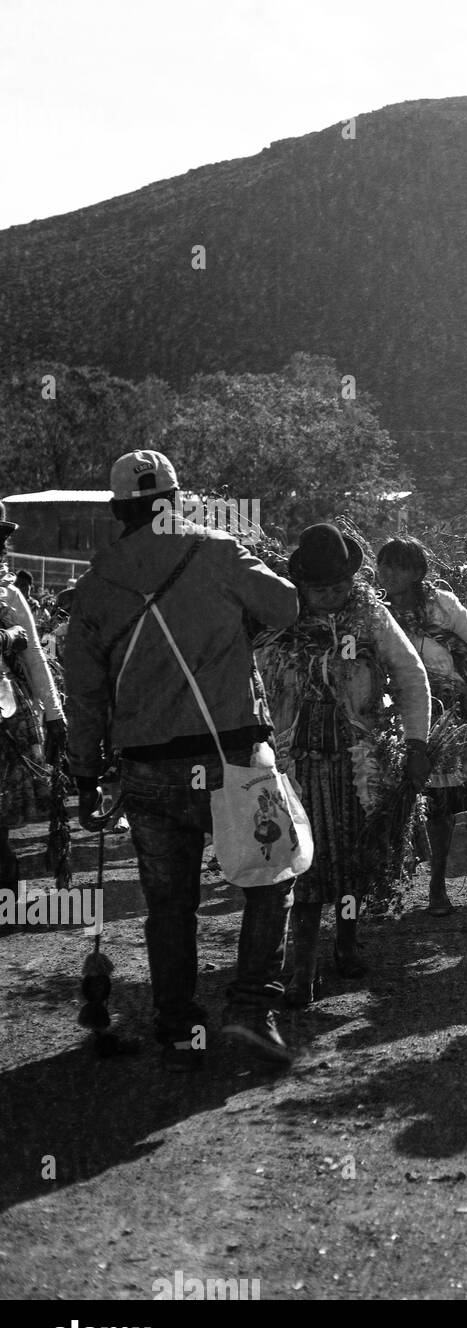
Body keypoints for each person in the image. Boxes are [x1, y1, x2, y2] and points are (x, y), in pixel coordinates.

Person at [64, 451, 300, 1071]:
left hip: (146, 769)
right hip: (233, 756)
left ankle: (177, 1021)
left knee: (170, 904)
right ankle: (251, 1009)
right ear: (177, 500)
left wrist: (85, 778)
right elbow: (287, 607)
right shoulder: (218, 550)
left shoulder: (92, 588)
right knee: (270, 881)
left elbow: (84, 695)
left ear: (118, 511)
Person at [257, 525, 432, 1002]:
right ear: (301, 587)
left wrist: (417, 743)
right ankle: (303, 966)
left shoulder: (372, 617)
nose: (331, 597)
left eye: (338, 587)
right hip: (299, 763)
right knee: (306, 864)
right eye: (320, 590)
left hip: (359, 762)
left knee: (354, 859)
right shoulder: (280, 622)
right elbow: (251, 674)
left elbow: (412, 676)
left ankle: (348, 944)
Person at [375, 537, 467, 918]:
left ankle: (437, 884)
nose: (388, 573)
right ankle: (400, 871)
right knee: (395, 796)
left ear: (417, 572)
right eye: (384, 564)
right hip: (394, 713)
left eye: (398, 566)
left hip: (444, 715)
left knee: (439, 802)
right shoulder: (375, 612)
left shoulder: (442, 606)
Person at [0, 506, 67, 895]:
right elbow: (20, 644)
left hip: (5, 713)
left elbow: (35, 659)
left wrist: (55, 715)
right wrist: (8, 638)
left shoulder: (8, 593)